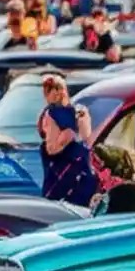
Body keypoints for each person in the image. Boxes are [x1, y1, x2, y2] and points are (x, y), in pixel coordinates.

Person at [37, 75, 99, 207]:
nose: (59, 94)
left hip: (76, 194)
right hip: (61, 195)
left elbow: (84, 137)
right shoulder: (51, 114)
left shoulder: (73, 114)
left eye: (60, 89)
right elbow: (52, 147)